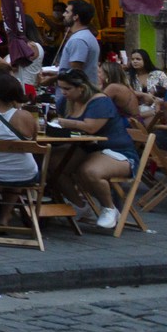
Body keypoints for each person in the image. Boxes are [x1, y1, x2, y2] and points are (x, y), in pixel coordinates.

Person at [52, 68, 139, 230]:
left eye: (67, 89)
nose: (63, 92)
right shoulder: (68, 101)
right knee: (53, 165)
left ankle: (110, 208)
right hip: (88, 148)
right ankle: (79, 205)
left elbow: (91, 128)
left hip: (116, 151)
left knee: (89, 171)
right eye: (61, 88)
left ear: (81, 88)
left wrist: (65, 122)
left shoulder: (100, 101)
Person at [126, 49, 167, 117]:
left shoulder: (158, 74)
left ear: (145, 60)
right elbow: (126, 92)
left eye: (138, 59)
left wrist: (156, 100)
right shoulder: (128, 77)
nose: (134, 61)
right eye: (132, 59)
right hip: (137, 109)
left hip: (159, 108)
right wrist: (143, 95)